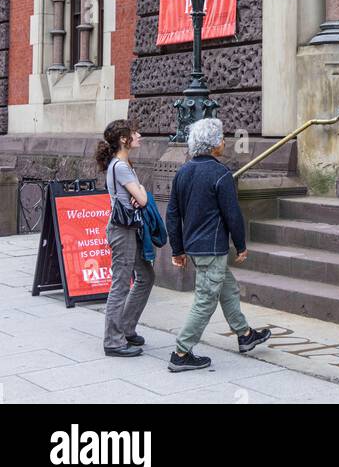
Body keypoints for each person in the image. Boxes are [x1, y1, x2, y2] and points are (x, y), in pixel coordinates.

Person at [165, 118, 271, 372]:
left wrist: (178, 249)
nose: (225, 142)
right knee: (205, 300)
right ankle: (181, 352)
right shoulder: (221, 174)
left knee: (228, 287)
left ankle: (245, 334)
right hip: (212, 248)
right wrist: (241, 244)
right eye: (222, 138)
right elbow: (232, 214)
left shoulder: (183, 172)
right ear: (213, 145)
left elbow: (172, 214)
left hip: (195, 247)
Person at [97, 119, 155, 357]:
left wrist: (139, 192)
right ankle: (112, 341)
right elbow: (142, 199)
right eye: (134, 132)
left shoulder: (123, 163)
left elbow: (139, 195)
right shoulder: (120, 166)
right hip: (122, 231)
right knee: (120, 285)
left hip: (130, 228)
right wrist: (141, 192)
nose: (139, 135)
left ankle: (126, 328)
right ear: (124, 139)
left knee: (146, 276)